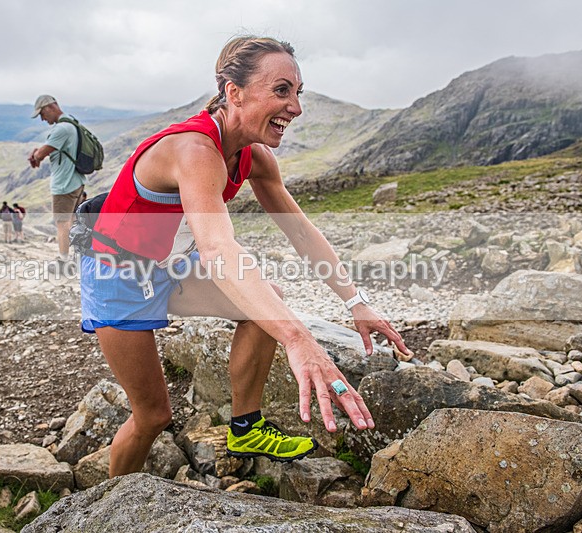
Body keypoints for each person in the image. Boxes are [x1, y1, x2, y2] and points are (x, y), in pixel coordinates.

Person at [80, 36, 411, 478]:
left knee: (264, 300)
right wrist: (298, 340)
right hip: (117, 272)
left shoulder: (253, 156)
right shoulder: (195, 151)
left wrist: (355, 302)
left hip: (170, 264)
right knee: (153, 416)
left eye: (298, 93)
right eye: (281, 91)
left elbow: (300, 230)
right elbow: (218, 249)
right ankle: (110, 505)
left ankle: (245, 425)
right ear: (233, 92)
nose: (295, 107)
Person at [28, 95, 86, 270]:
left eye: (42, 114)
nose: (42, 119)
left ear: (50, 107)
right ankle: (77, 258)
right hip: (77, 181)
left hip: (64, 185)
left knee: (62, 223)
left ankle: (64, 262)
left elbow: (41, 153)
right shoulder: (72, 124)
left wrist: (36, 155)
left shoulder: (61, 129)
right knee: (74, 222)